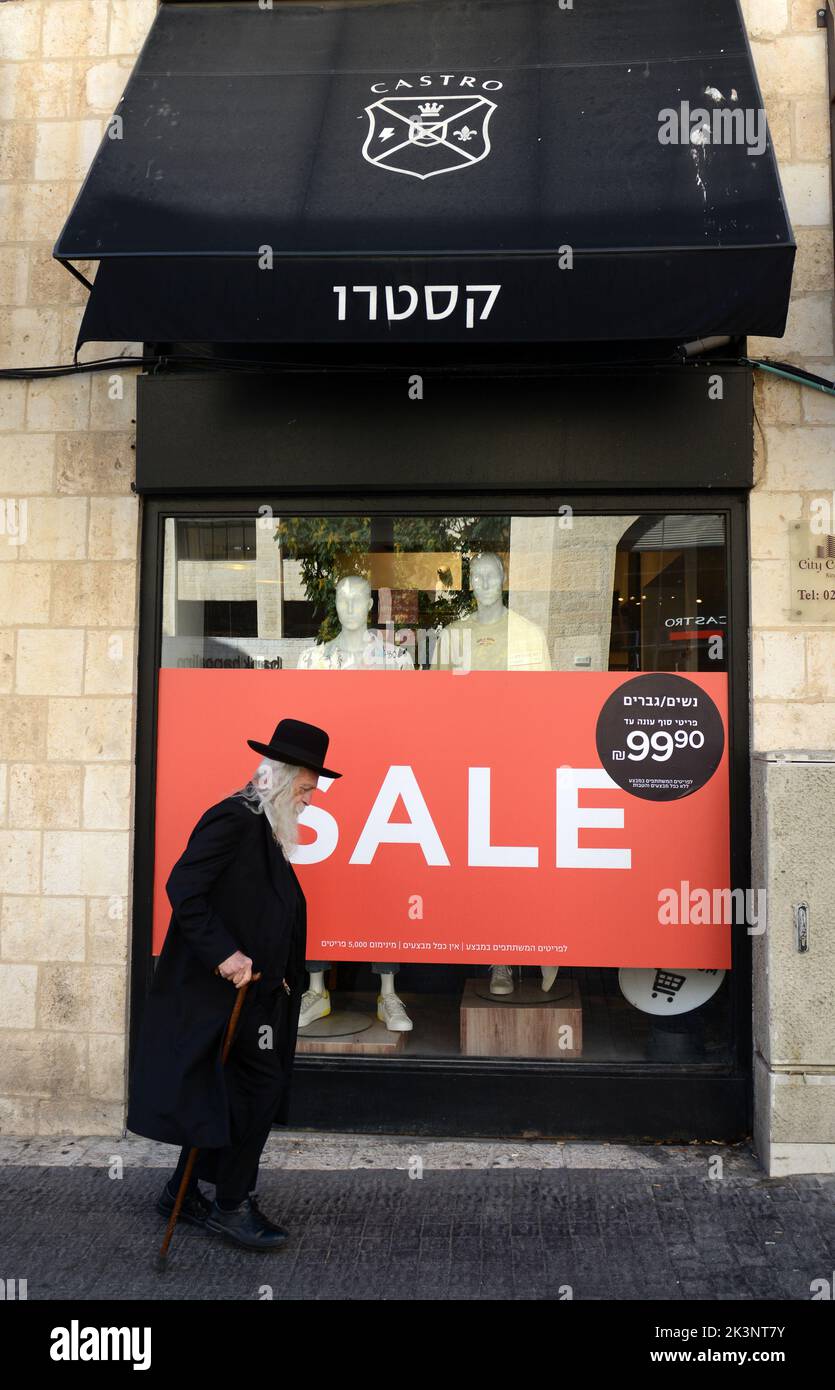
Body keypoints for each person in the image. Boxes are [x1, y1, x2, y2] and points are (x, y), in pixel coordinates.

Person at [126, 718, 341, 1251]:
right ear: (286, 776)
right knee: (258, 1090)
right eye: (308, 789)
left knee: (231, 1091)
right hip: (223, 994)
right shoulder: (234, 818)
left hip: (258, 996)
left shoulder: (264, 824)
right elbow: (184, 887)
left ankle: (182, 1189)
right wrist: (226, 955)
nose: (311, 801)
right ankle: (230, 1204)